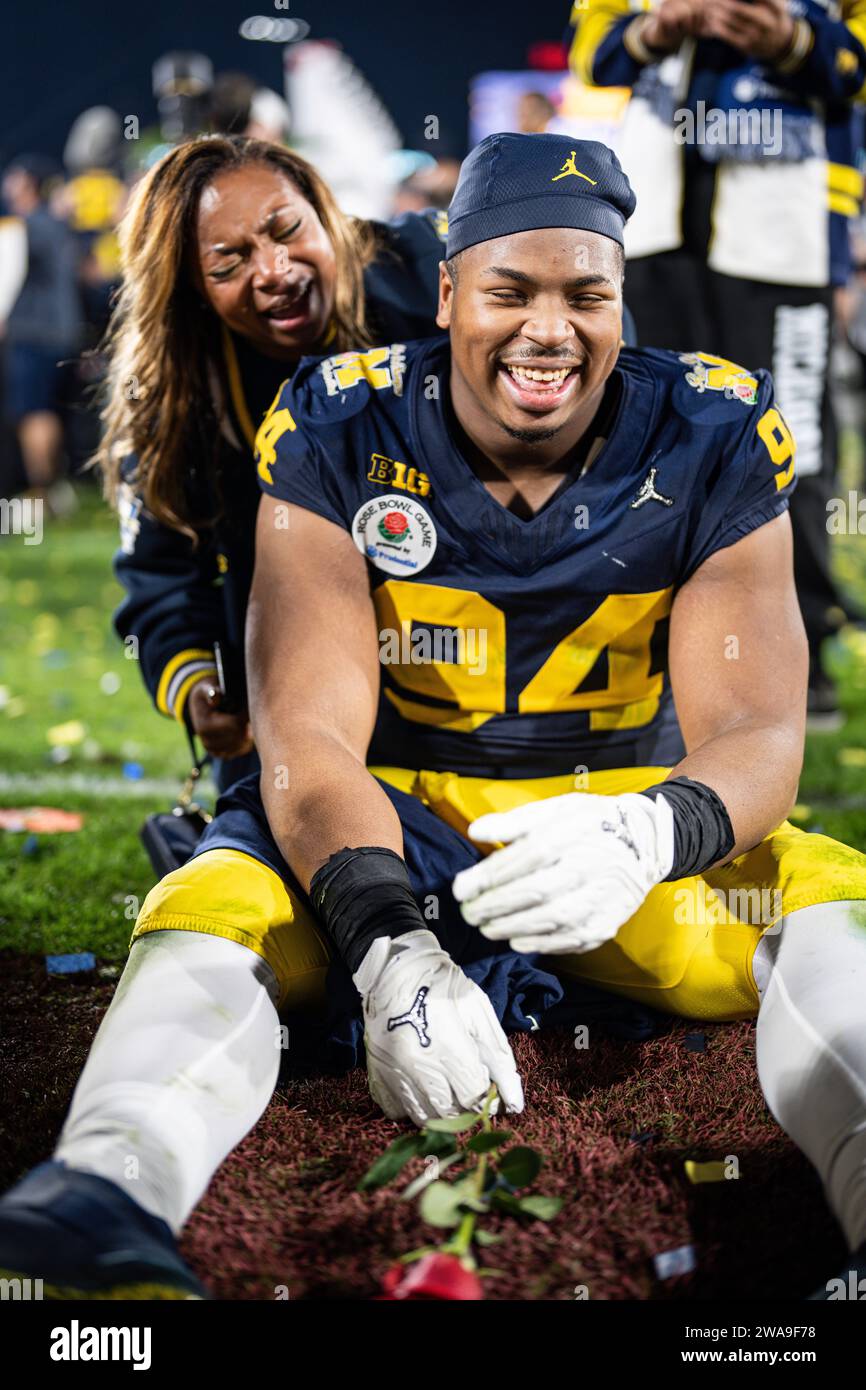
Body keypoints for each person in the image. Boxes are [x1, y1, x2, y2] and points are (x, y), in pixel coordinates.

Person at [3, 133, 866, 1302]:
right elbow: (303, 735)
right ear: (447, 292)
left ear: (623, 299)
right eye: (508, 291)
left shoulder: (710, 425)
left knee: (817, 900)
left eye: (585, 294)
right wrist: (385, 938)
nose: (549, 329)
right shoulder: (332, 419)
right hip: (390, 813)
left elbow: (762, 726)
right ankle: (111, 1181)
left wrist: (654, 830)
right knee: (217, 892)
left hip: (611, 830)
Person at [97, 135, 447, 791]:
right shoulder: (177, 391)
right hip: (298, 690)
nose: (274, 270)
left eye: (287, 229)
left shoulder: (431, 270)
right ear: (190, 290)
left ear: (326, 212)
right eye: (227, 264)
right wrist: (200, 683)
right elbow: (162, 571)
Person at [569, 0, 866, 727]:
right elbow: (594, 57)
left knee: (790, 443)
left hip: (783, 232)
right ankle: (648, 635)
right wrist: (655, 28)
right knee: (647, 437)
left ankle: (802, 647)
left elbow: (855, 68)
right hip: (655, 225)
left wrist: (792, 38)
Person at [1, 154, 82, 510]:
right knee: (50, 410)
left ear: (29, 184)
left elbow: (9, 276)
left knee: (34, 411)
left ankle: (41, 491)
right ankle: (55, 486)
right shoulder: (61, 225)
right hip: (66, 332)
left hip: (33, 331)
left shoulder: (24, 226)